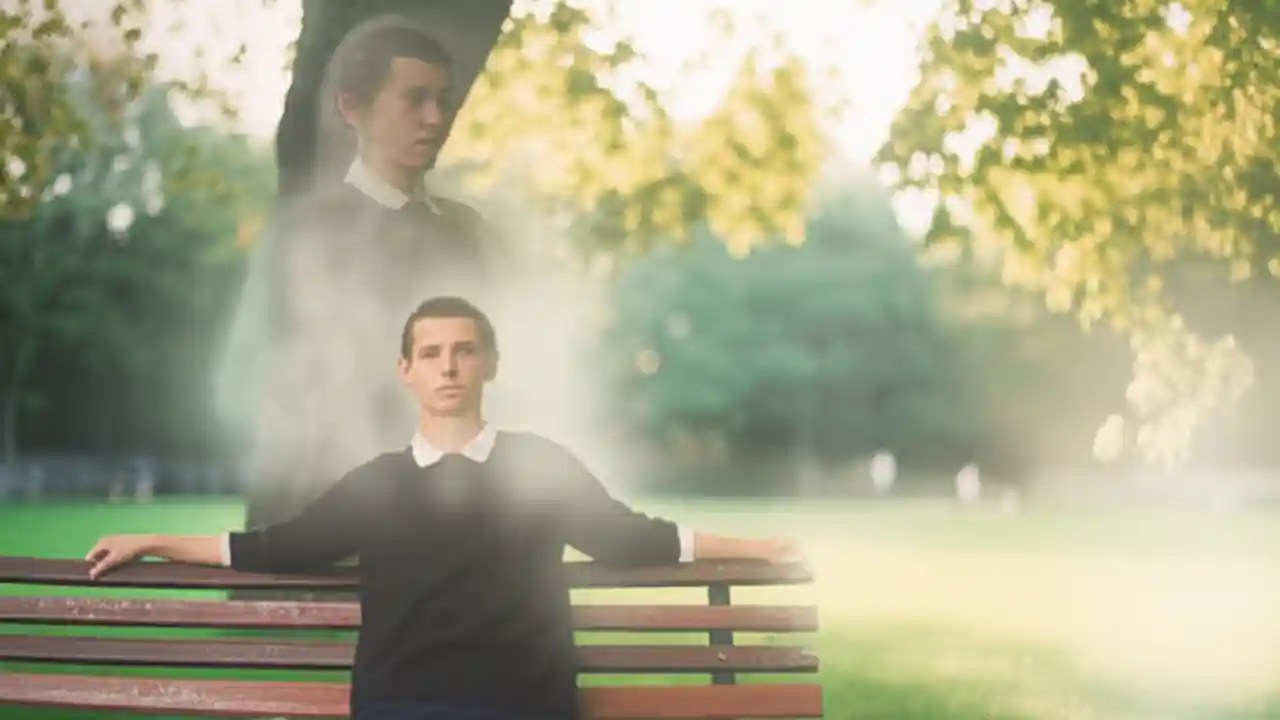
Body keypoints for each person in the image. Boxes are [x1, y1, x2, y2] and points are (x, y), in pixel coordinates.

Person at [88, 297, 799, 720]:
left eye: (464, 351)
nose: (449, 366)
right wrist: (154, 539)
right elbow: (275, 546)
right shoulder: (377, 483)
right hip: (405, 708)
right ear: (407, 372)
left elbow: (632, 538)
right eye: (430, 353)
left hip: (524, 707)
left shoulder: (540, 465)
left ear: (491, 362)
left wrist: (761, 550)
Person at [219, 21, 507, 532]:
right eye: (414, 99)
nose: (435, 118)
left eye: (443, 100)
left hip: (466, 509)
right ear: (352, 108)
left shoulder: (470, 233)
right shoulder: (307, 234)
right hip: (345, 513)